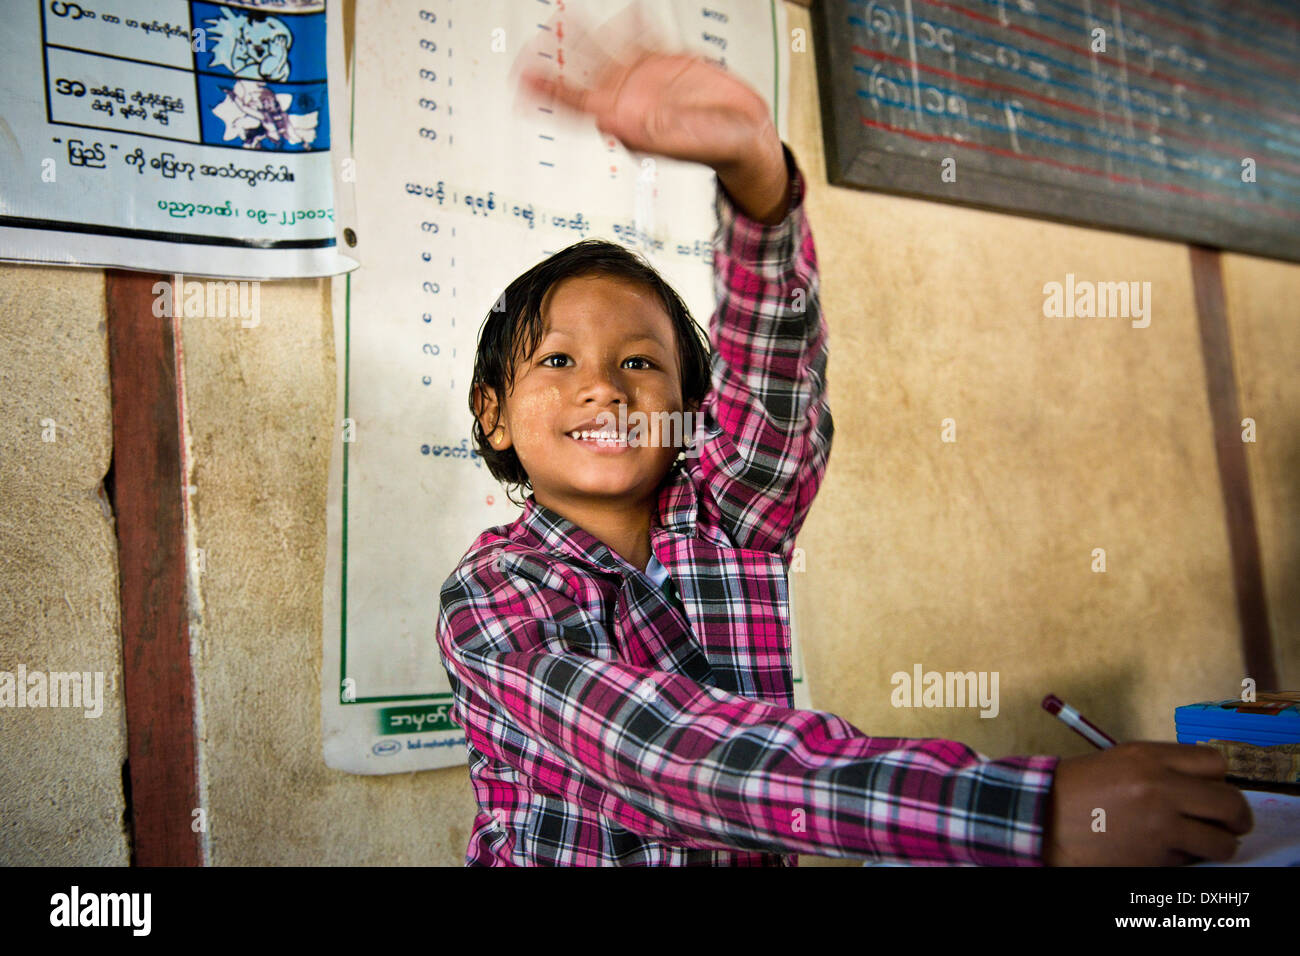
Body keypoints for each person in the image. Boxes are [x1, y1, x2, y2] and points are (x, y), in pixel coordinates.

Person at [435, 7, 1252, 866]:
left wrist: (756, 176)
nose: (602, 384)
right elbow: (673, 759)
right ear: (493, 410)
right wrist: (1032, 812)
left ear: (691, 401)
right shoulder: (493, 595)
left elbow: (776, 387)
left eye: (641, 363)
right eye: (558, 359)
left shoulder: (729, 516)